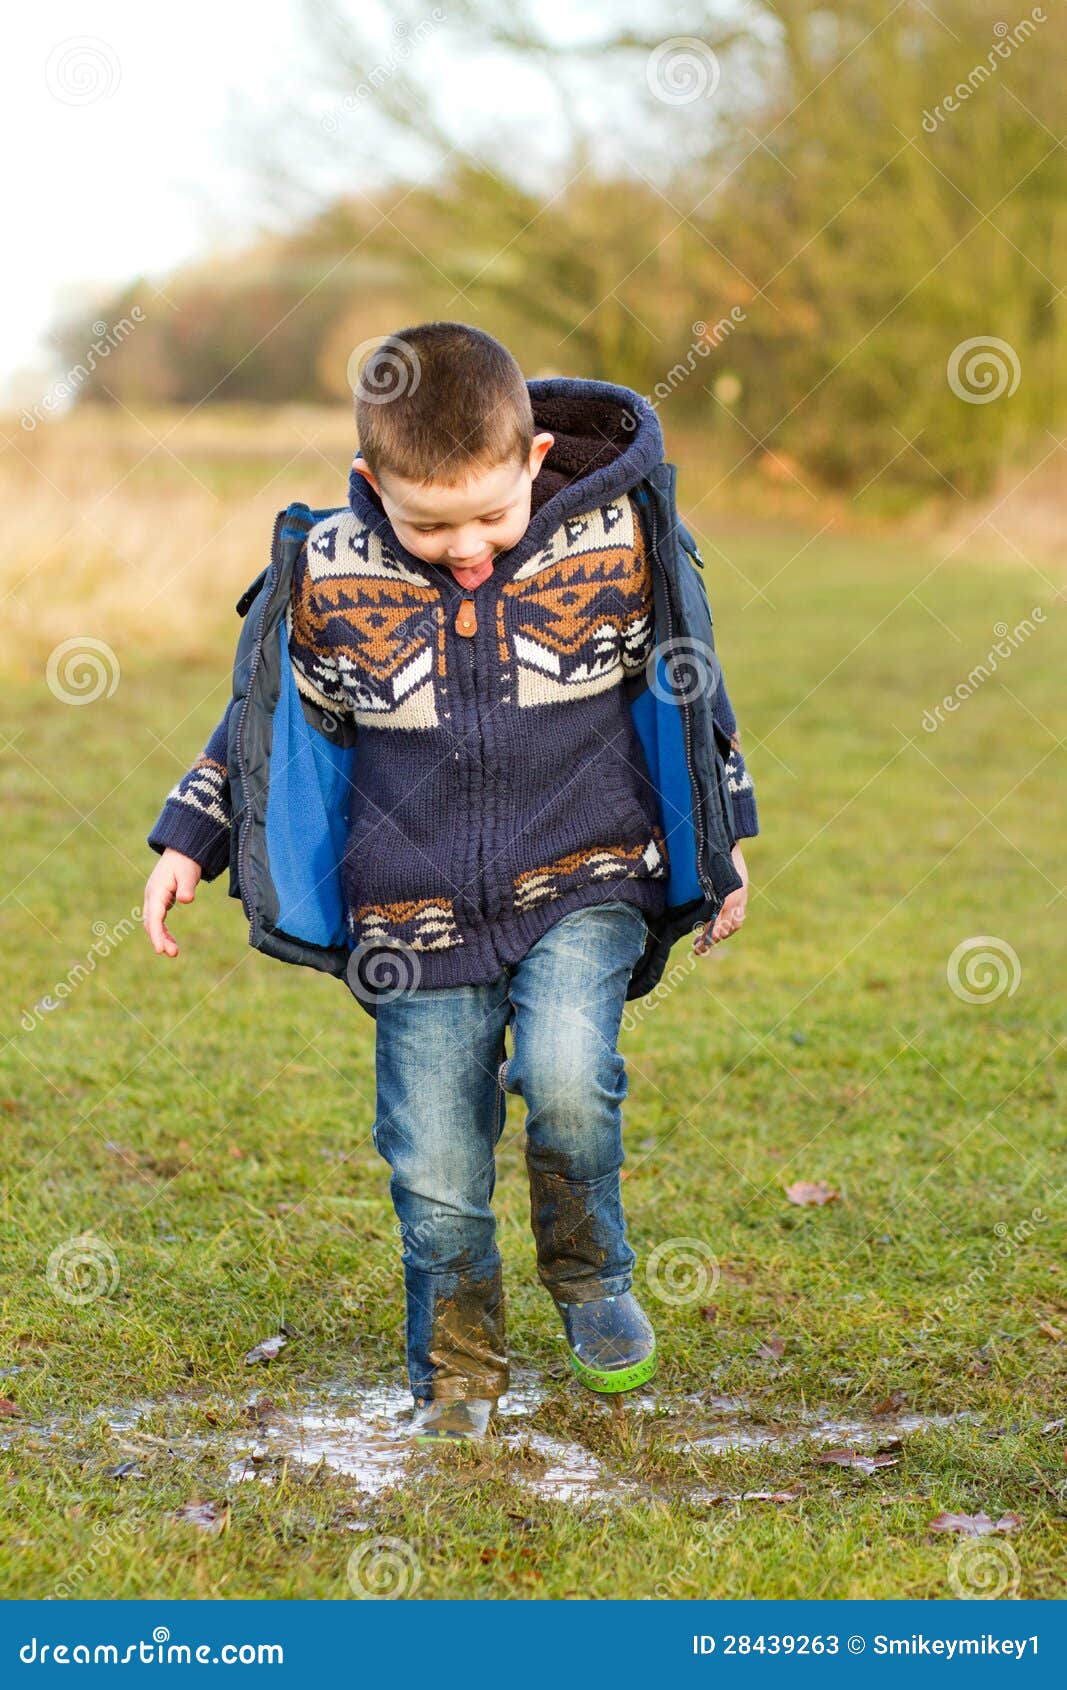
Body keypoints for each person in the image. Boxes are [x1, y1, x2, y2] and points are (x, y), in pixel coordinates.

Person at [143, 322, 758, 1441]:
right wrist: (191, 835)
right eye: (428, 525)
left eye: (489, 515)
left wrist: (722, 843)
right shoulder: (333, 573)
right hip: (410, 917)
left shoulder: (614, 543)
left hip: (586, 873)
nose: (465, 548)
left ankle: (590, 1273)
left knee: (565, 1075)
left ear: (533, 461)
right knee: (431, 1159)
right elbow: (265, 721)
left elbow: (689, 688)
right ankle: (460, 1365)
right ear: (372, 481)